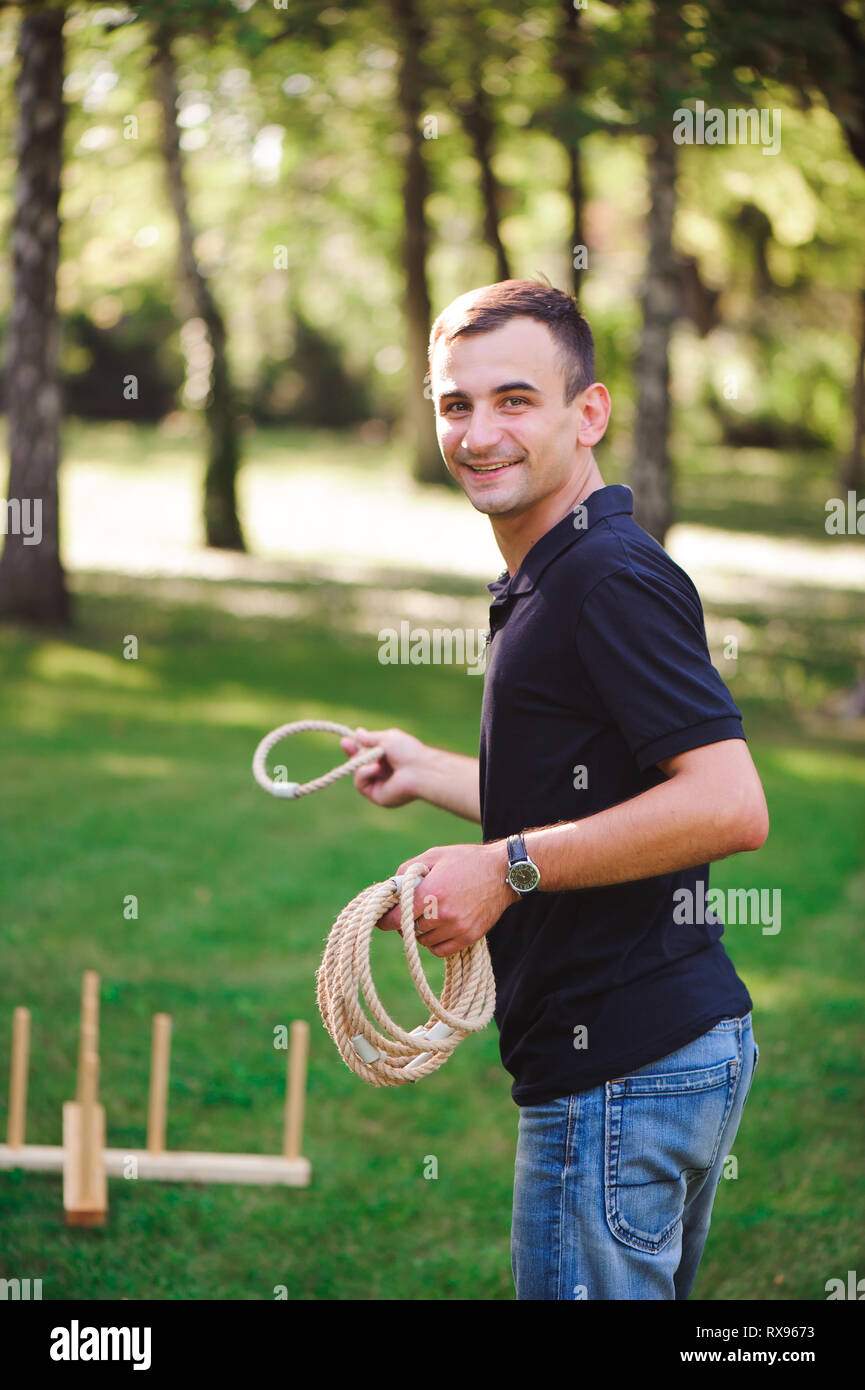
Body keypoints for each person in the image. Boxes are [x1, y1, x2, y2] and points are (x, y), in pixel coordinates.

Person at [341, 278, 768, 1301]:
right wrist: (431, 771)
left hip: (621, 1069)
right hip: (655, 1056)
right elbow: (590, 785)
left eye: (514, 399)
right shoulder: (555, 568)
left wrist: (507, 867)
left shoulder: (604, 577)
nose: (479, 432)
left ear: (589, 414)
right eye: (456, 404)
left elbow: (727, 802)